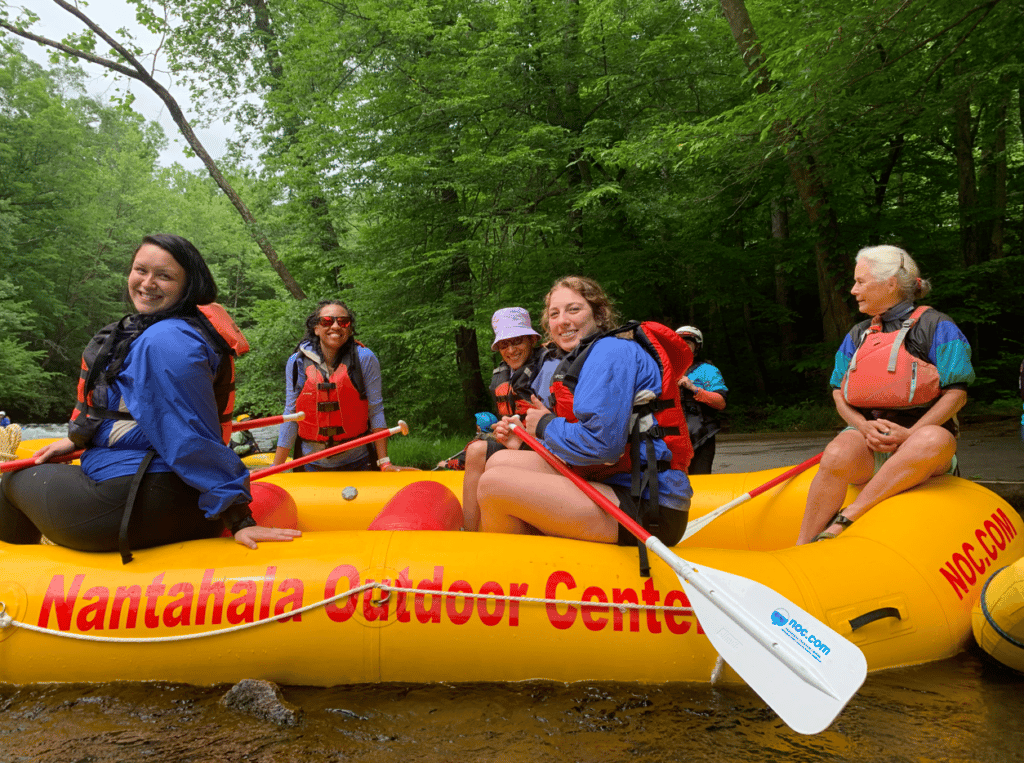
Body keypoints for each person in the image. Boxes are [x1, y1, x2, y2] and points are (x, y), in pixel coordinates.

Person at [0, 234, 300, 557]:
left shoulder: (166, 342)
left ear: (188, 285)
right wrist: (78, 438)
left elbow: (188, 437)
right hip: (165, 494)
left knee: (7, 484)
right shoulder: (173, 330)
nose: (147, 283)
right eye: (140, 270)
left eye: (164, 276)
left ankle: (15, 592)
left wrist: (239, 518)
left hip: (141, 501)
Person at [475, 277, 692, 544]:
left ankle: (511, 574)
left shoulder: (611, 352)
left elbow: (603, 447)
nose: (562, 321)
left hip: (648, 504)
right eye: (554, 314)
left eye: (573, 309)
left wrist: (545, 425)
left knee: (493, 484)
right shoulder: (591, 355)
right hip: (615, 481)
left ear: (599, 314)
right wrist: (526, 439)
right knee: (497, 461)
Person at [796, 245, 974, 545]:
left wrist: (910, 434)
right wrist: (863, 426)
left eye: (861, 282)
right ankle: (801, 546)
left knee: (933, 438)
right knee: (838, 451)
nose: (854, 290)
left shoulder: (937, 326)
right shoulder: (858, 333)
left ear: (891, 283)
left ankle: (848, 517)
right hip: (869, 440)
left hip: (922, 448)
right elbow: (839, 392)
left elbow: (956, 393)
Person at [460, 307, 558, 530]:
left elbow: (552, 419)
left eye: (518, 342)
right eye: (504, 345)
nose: (511, 350)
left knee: (480, 453)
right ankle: (469, 532)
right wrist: (496, 428)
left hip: (547, 447)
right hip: (521, 443)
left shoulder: (549, 368)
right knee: (476, 448)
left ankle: (476, 529)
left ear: (532, 340)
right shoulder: (504, 374)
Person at [273, 300, 399, 472]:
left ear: (349, 328)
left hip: (359, 461)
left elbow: (375, 410)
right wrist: (275, 467)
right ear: (316, 328)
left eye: (343, 322)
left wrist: (384, 463)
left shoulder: (364, 358)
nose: (335, 326)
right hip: (310, 462)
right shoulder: (297, 362)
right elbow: (291, 415)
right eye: (326, 321)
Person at [675, 326, 728, 474]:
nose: (683, 346)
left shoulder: (708, 370)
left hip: (702, 435)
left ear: (697, 347)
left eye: (688, 343)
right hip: (673, 436)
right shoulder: (666, 369)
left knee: (700, 477)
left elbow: (720, 403)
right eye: (680, 342)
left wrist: (693, 388)